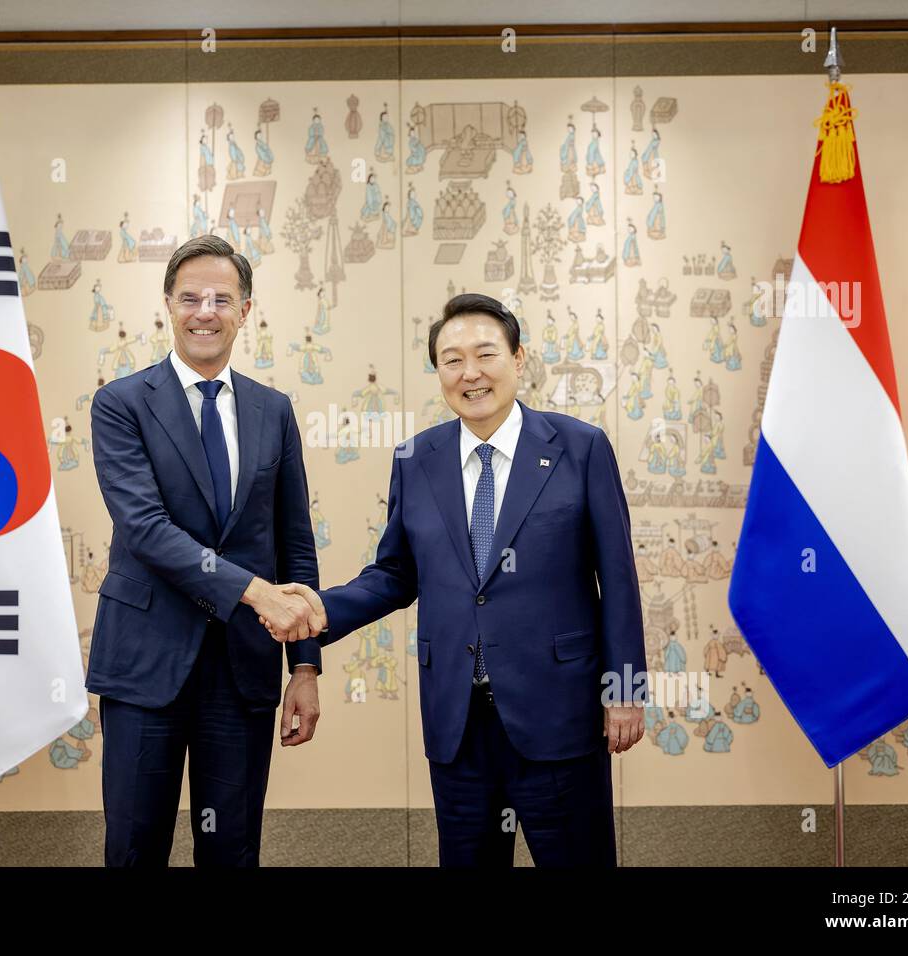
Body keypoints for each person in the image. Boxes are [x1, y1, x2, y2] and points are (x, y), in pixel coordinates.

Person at [265, 293, 646, 867]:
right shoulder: (416, 458)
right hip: (458, 725)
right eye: (451, 360)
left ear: (519, 360)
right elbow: (395, 574)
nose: (470, 373)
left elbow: (617, 579)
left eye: (486, 354)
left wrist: (625, 691)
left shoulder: (579, 447)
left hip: (559, 716)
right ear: (438, 371)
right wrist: (322, 609)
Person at [88, 235, 322, 867]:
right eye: (190, 297)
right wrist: (254, 592)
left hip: (242, 670)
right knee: (136, 848)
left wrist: (304, 666)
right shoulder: (122, 404)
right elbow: (145, 528)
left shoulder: (274, 411)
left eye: (223, 298)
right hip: (145, 663)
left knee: (232, 852)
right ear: (168, 304)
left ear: (246, 310)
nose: (205, 311)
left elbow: (294, 545)